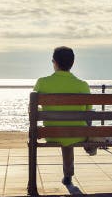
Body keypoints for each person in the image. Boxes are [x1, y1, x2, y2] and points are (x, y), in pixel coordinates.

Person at [33, 46, 95, 186]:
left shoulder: (42, 82)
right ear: (72, 64)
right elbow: (88, 113)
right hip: (77, 134)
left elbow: (32, 111)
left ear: (54, 62)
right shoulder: (83, 85)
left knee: (64, 132)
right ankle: (69, 174)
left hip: (51, 133)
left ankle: (67, 175)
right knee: (71, 133)